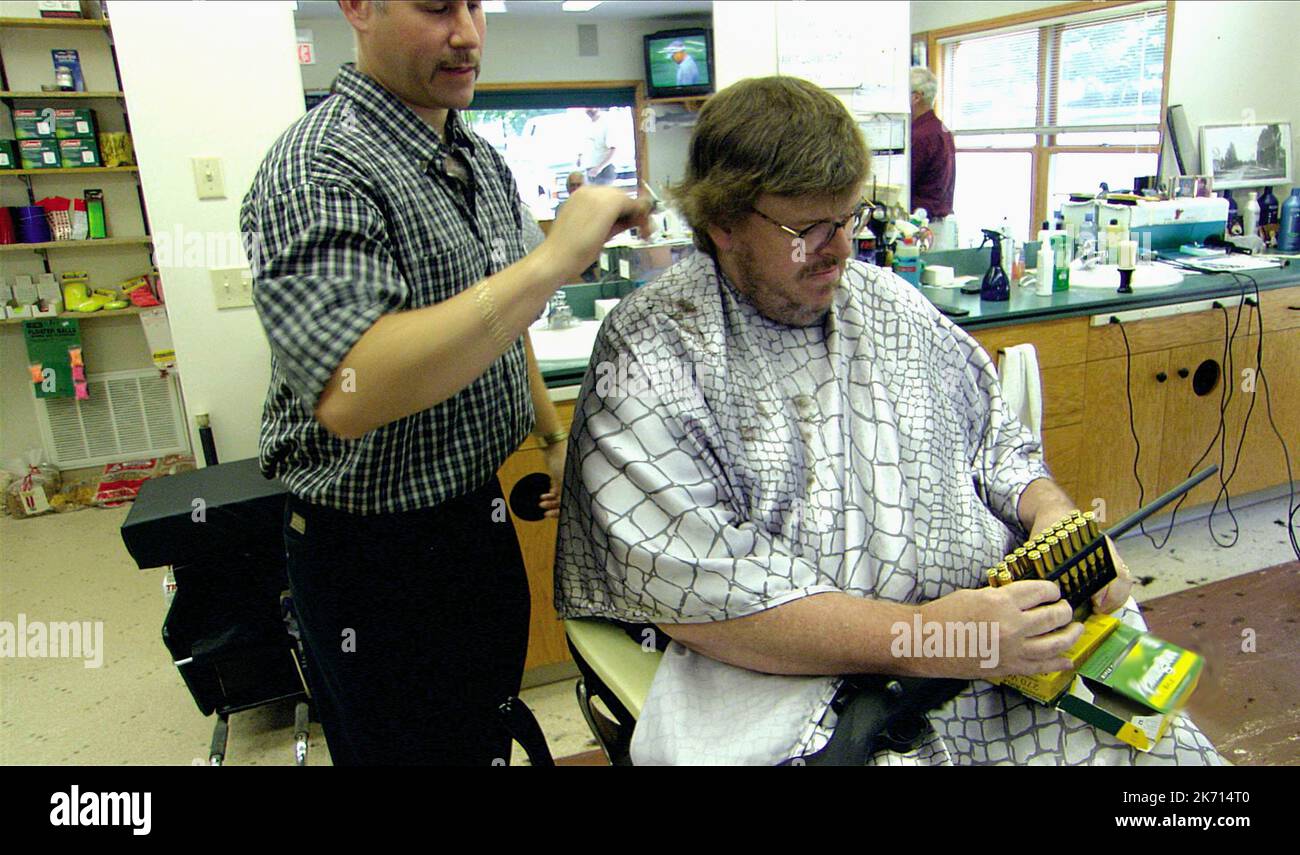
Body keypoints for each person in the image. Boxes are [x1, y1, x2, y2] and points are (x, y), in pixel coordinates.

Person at [553, 76, 1222, 766]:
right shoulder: (656, 347)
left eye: (849, 218)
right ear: (722, 222)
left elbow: (997, 440)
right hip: (830, 688)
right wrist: (931, 635)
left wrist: (1055, 521)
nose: (840, 249)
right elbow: (698, 590)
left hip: (1006, 644)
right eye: (807, 229)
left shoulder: (890, 305)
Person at [241, 0, 650, 765]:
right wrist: (553, 259)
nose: (466, 32)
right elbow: (353, 388)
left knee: (482, 734)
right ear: (357, 8)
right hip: (369, 555)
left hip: (476, 517)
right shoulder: (318, 165)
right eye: (435, 6)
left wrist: (551, 436)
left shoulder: (479, 160)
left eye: (474, 4)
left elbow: (502, 321)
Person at [910, 66, 957, 250]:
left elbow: (907, 182)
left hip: (924, 227)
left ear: (917, 96)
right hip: (941, 224)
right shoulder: (940, 129)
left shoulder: (920, 135)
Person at [580, 107, 617, 185]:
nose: (588, 109)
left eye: (591, 107)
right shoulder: (587, 125)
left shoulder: (606, 123)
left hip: (603, 172)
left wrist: (599, 167)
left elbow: (613, 149)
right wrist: (579, 158)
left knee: (602, 196)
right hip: (590, 171)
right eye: (586, 107)